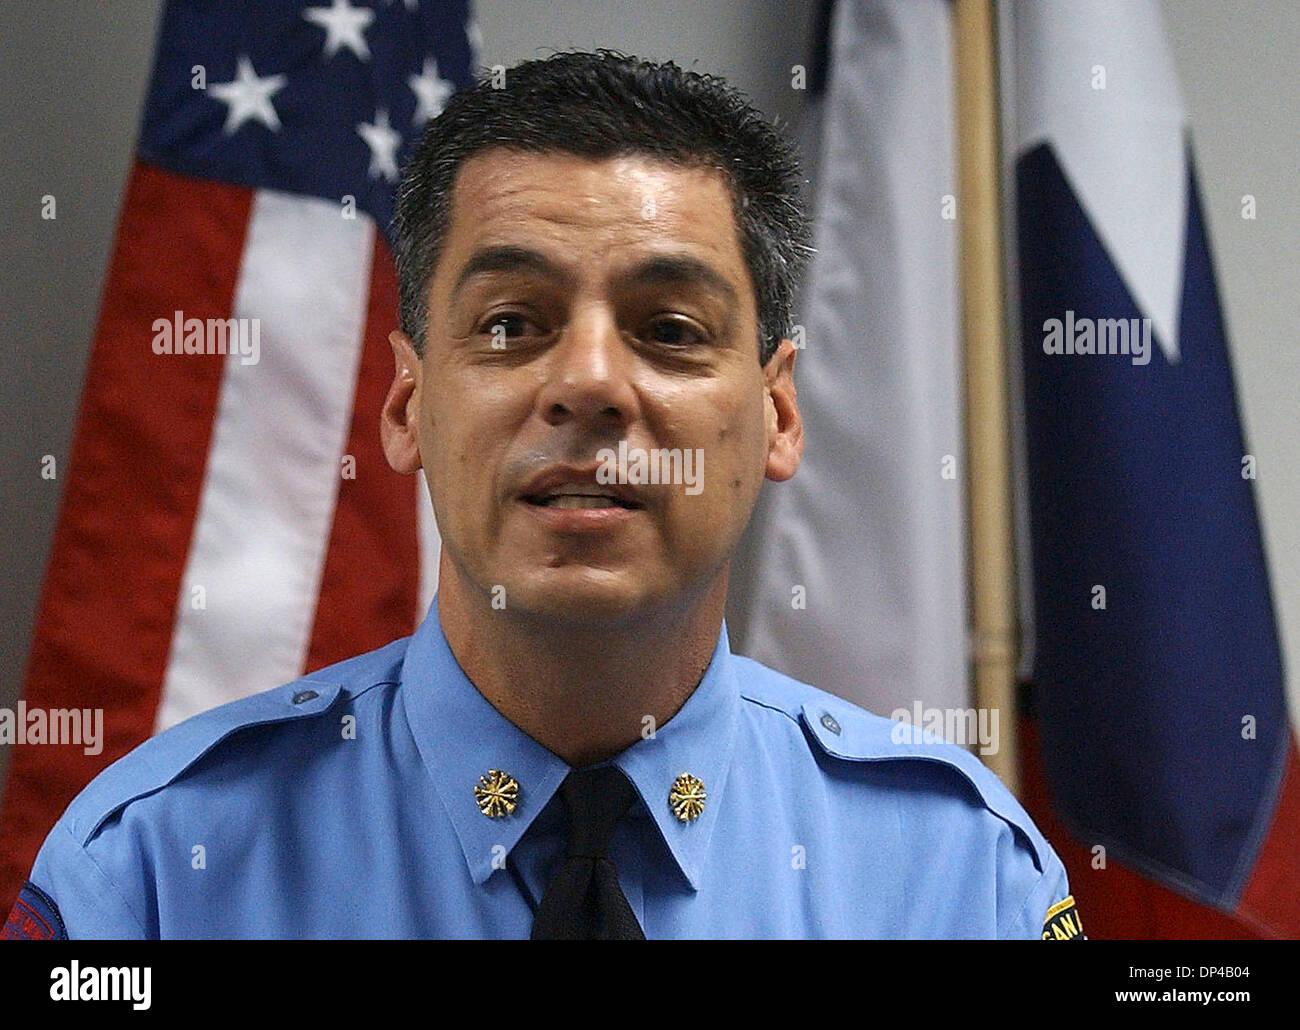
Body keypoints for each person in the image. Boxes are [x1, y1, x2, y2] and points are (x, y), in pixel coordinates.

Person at [5, 50, 1081, 940]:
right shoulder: (154, 872)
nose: (589, 385)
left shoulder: (960, 879)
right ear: (405, 406)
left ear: (779, 416)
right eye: (513, 323)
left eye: (669, 331)